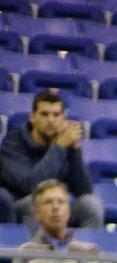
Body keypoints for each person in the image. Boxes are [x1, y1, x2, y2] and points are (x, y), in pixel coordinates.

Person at [0, 90, 102, 231]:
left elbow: (84, 190)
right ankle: (37, 252)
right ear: (32, 118)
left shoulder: (64, 142)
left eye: (56, 115)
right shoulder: (14, 142)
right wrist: (59, 146)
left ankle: (83, 251)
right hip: (18, 208)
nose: (51, 120)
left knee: (91, 204)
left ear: (63, 118)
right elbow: (31, 186)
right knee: (38, 203)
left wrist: (74, 151)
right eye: (44, 114)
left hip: (55, 207)